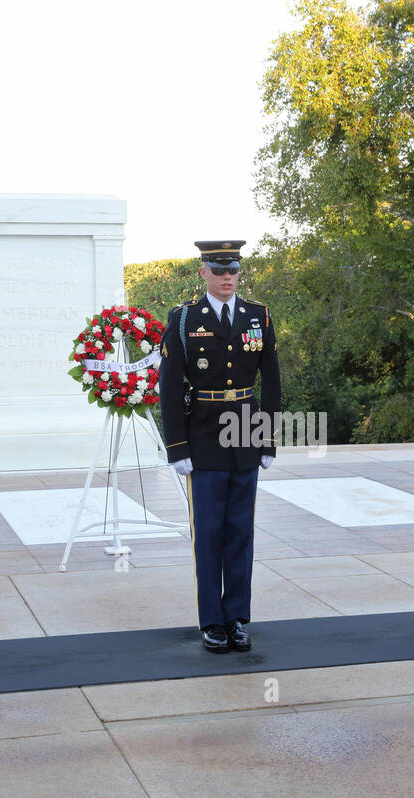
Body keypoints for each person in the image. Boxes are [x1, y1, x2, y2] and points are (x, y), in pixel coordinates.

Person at [159, 241, 281, 652]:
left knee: (240, 532)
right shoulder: (183, 319)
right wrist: (177, 447)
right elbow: (170, 386)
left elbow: (272, 380)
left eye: (233, 271)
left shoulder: (257, 315)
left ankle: (237, 617)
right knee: (209, 531)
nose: (228, 278)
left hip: (246, 429)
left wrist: (269, 437)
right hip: (204, 434)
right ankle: (211, 620)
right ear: (204, 273)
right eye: (220, 270)